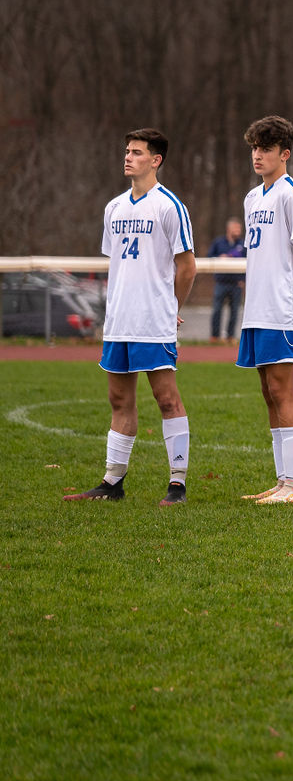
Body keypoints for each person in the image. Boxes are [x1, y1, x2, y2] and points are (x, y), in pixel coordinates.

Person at [66, 128, 197, 506]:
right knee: (118, 399)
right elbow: (119, 264)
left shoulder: (169, 206)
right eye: (127, 151)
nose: (128, 157)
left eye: (137, 152)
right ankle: (112, 482)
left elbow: (187, 266)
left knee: (166, 398)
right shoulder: (114, 207)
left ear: (156, 160)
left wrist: (172, 307)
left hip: (153, 320)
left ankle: (177, 484)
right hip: (119, 321)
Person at [235, 115, 293, 505]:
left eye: (266, 149)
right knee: (268, 392)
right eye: (254, 148)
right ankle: (283, 480)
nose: (258, 155)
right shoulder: (253, 198)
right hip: (257, 310)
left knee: (282, 390)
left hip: (283, 309)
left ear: (284, 154)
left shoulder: (292, 195)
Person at [207, 218, 246, 341]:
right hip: (221, 282)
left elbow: (248, 262)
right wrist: (220, 257)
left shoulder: (243, 244)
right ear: (229, 229)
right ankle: (215, 336)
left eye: (239, 228)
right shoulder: (219, 242)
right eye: (236, 228)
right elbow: (209, 257)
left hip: (236, 283)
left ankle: (230, 337)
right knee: (217, 310)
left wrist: (243, 280)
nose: (238, 230)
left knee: (234, 311)